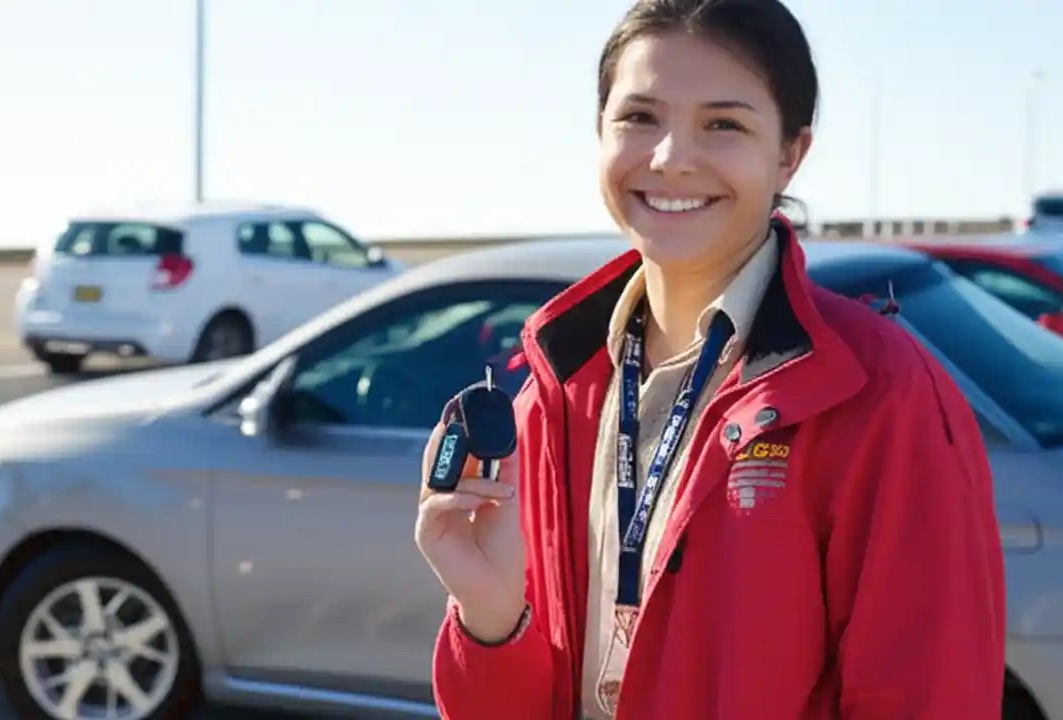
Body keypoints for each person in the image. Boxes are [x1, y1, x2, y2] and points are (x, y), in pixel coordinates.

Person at [414, 0, 1006, 718]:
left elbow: (928, 696)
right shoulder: (554, 397)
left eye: (724, 124)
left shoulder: (880, 394)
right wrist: (490, 617)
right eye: (639, 118)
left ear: (791, 153)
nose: (670, 158)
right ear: (599, 132)